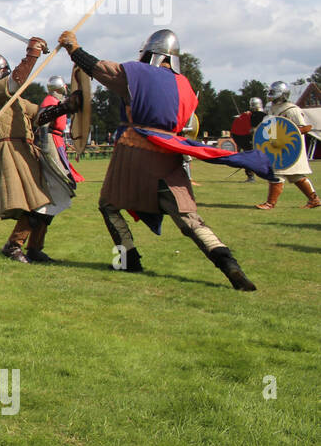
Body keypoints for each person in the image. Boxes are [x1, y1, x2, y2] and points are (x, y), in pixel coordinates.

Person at [56, 28, 261, 290]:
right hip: (170, 155)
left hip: (135, 154)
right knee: (189, 219)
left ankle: (127, 260)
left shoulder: (137, 74)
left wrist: (73, 48)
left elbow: (99, 69)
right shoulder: (185, 85)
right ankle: (230, 265)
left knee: (108, 205)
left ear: (150, 53)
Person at [0, 43, 75, 263]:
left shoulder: (17, 101)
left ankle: (35, 248)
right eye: (4, 73)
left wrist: (65, 107)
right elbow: (16, 81)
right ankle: (13, 246)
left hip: (28, 151)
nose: (8, 76)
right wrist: (32, 55)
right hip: (9, 151)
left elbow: (40, 115)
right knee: (34, 204)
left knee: (46, 202)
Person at [255, 82, 319, 209]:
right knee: (296, 176)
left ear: (282, 95)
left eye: (274, 93)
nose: (271, 96)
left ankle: (270, 203)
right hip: (278, 147)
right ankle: (314, 200)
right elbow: (271, 127)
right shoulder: (272, 109)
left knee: (277, 173)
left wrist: (285, 134)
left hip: (290, 149)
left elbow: (305, 128)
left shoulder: (292, 109)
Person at [230, 97, 265, 182]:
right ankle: (251, 176)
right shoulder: (248, 116)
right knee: (250, 157)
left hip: (250, 140)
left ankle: (252, 176)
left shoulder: (252, 115)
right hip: (247, 139)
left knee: (251, 157)